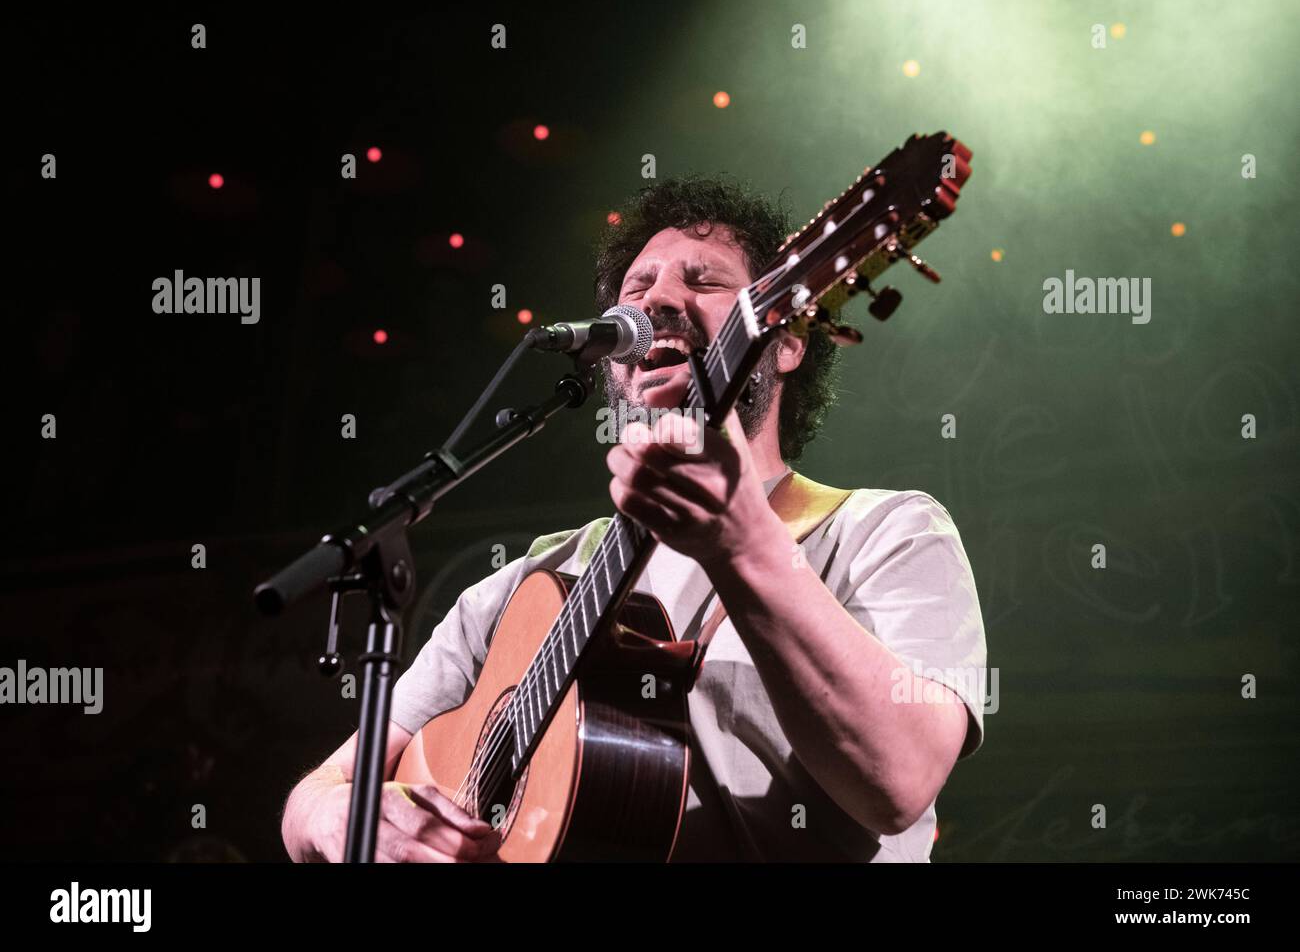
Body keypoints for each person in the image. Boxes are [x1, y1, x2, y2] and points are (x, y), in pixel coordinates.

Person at [280, 176, 988, 862]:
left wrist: (746, 548)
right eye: (638, 290)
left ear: (790, 337)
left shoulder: (886, 532)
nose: (661, 300)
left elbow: (898, 785)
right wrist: (333, 814)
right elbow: (319, 792)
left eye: (703, 280)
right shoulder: (528, 583)